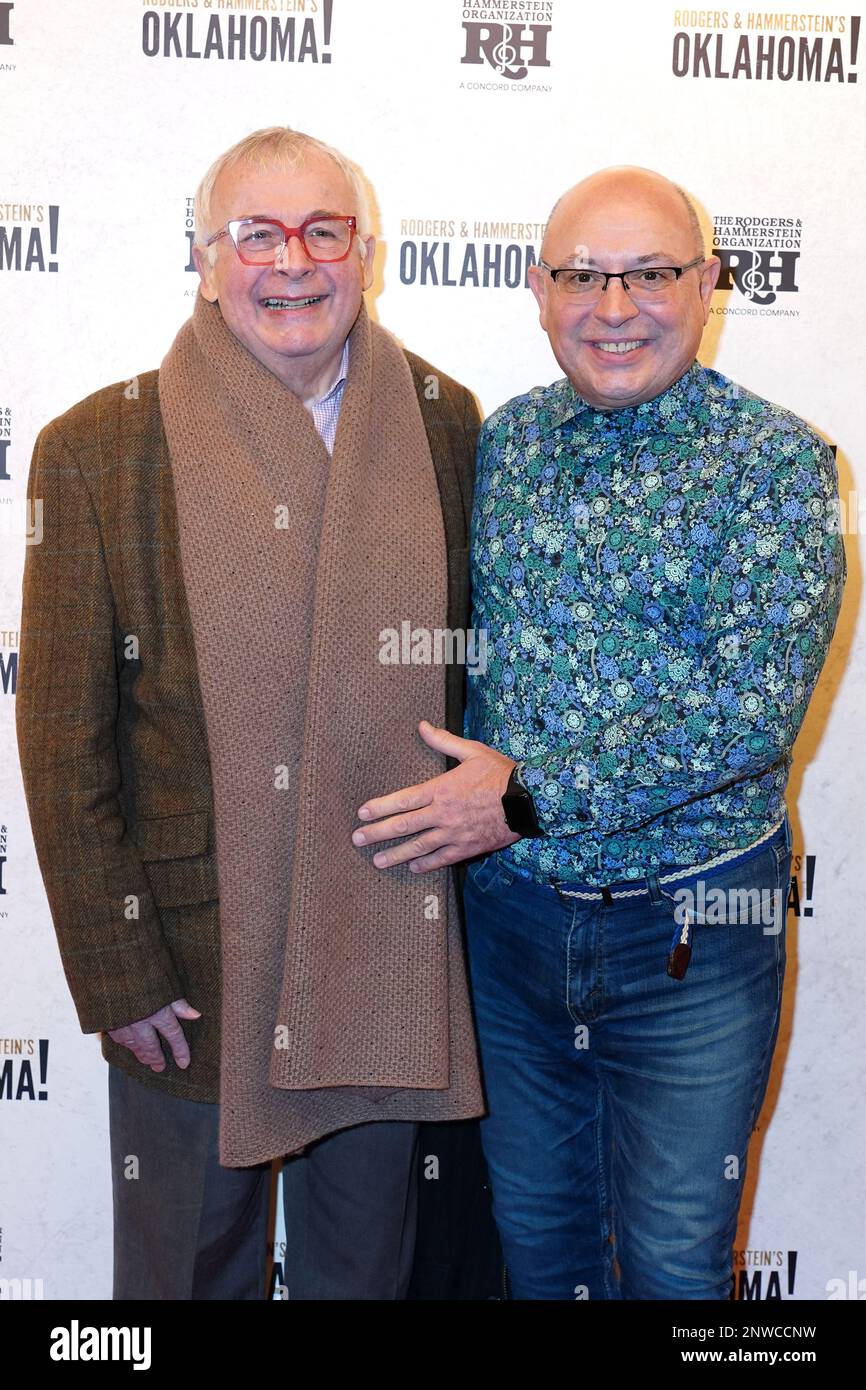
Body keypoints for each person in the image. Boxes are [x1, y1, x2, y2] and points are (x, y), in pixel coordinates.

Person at [349, 166, 847, 1299]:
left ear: (706, 282)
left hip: (690, 939)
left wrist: (520, 797)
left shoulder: (775, 463)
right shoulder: (511, 441)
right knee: (539, 1251)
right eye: (581, 275)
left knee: (673, 1266)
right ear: (537, 290)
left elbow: (746, 712)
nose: (612, 308)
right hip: (512, 933)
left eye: (649, 274)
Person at [15, 126, 486, 1301]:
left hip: (387, 936)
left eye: (324, 232)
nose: (293, 262)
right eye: (257, 234)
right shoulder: (97, 449)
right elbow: (63, 737)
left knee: (364, 1277)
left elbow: (479, 674)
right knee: (185, 1280)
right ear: (204, 257)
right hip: (186, 959)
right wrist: (115, 963)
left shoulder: (443, 421)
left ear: (364, 256)